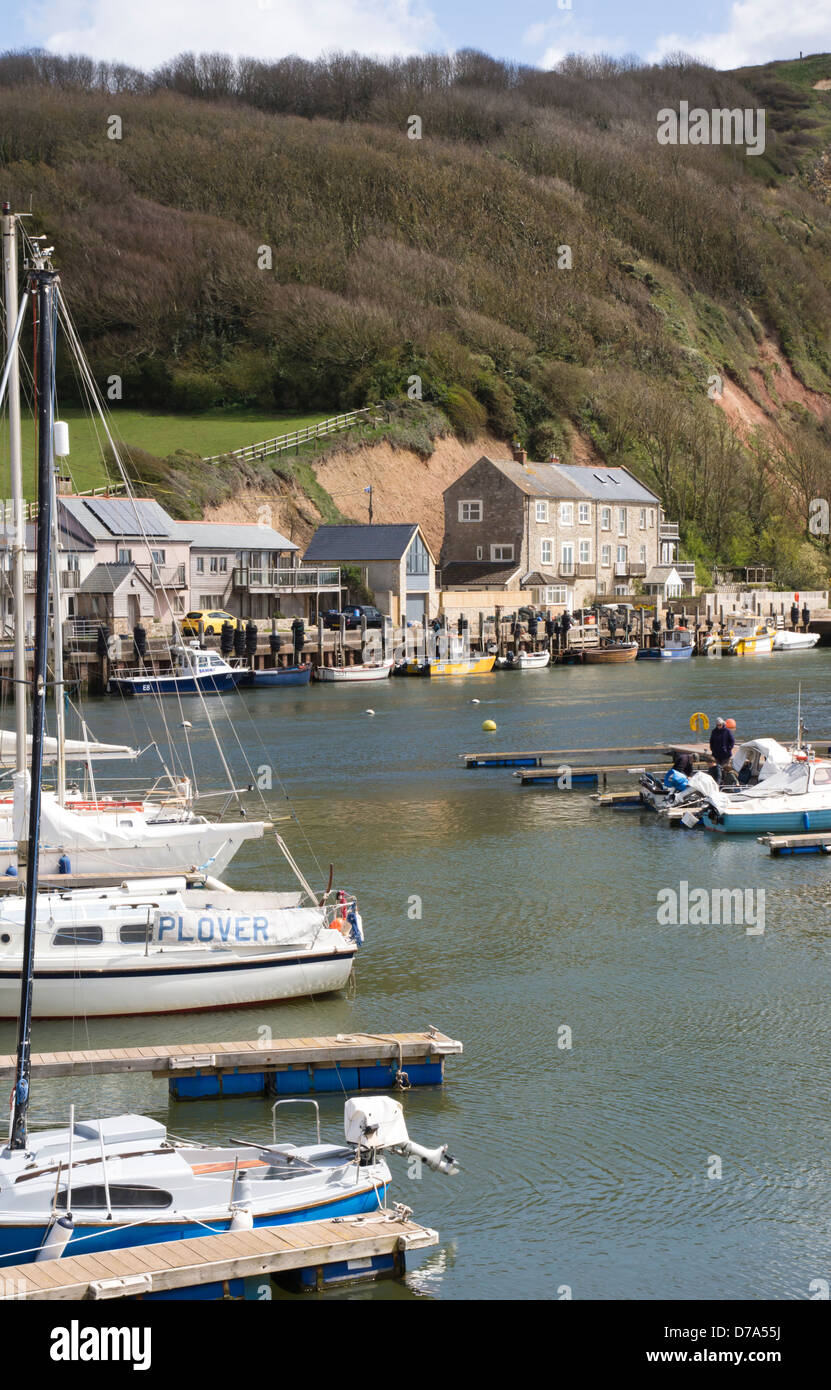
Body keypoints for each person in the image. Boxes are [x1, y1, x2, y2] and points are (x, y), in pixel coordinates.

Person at [709, 716, 736, 785]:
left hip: (725, 754)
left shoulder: (727, 731)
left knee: (725, 768)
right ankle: (718, 782)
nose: (719, 726)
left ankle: (726, 782)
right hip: (716, 754)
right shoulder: (714, 731)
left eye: (720, 725)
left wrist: (728, 749)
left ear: (723, 724)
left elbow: (732, 741)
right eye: (717, 725)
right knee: (717, 769)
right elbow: (711, 741)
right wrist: (712, 749)